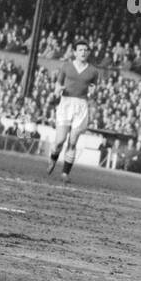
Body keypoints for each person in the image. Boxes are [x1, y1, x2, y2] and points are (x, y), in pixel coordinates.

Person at [46, 41, 100, 183]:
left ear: (88, 53)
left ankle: (65, 173)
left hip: (81, 105)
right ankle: (53, 158)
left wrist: (93, 93)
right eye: (80, 50)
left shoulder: (93, 71)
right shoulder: (66, 66)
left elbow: (93, 89)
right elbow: (58, 83)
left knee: (73, 140)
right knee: (60, 141)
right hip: (66, 103)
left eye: (86, 50)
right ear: (75, 52)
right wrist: (57, 89)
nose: (83, 52)